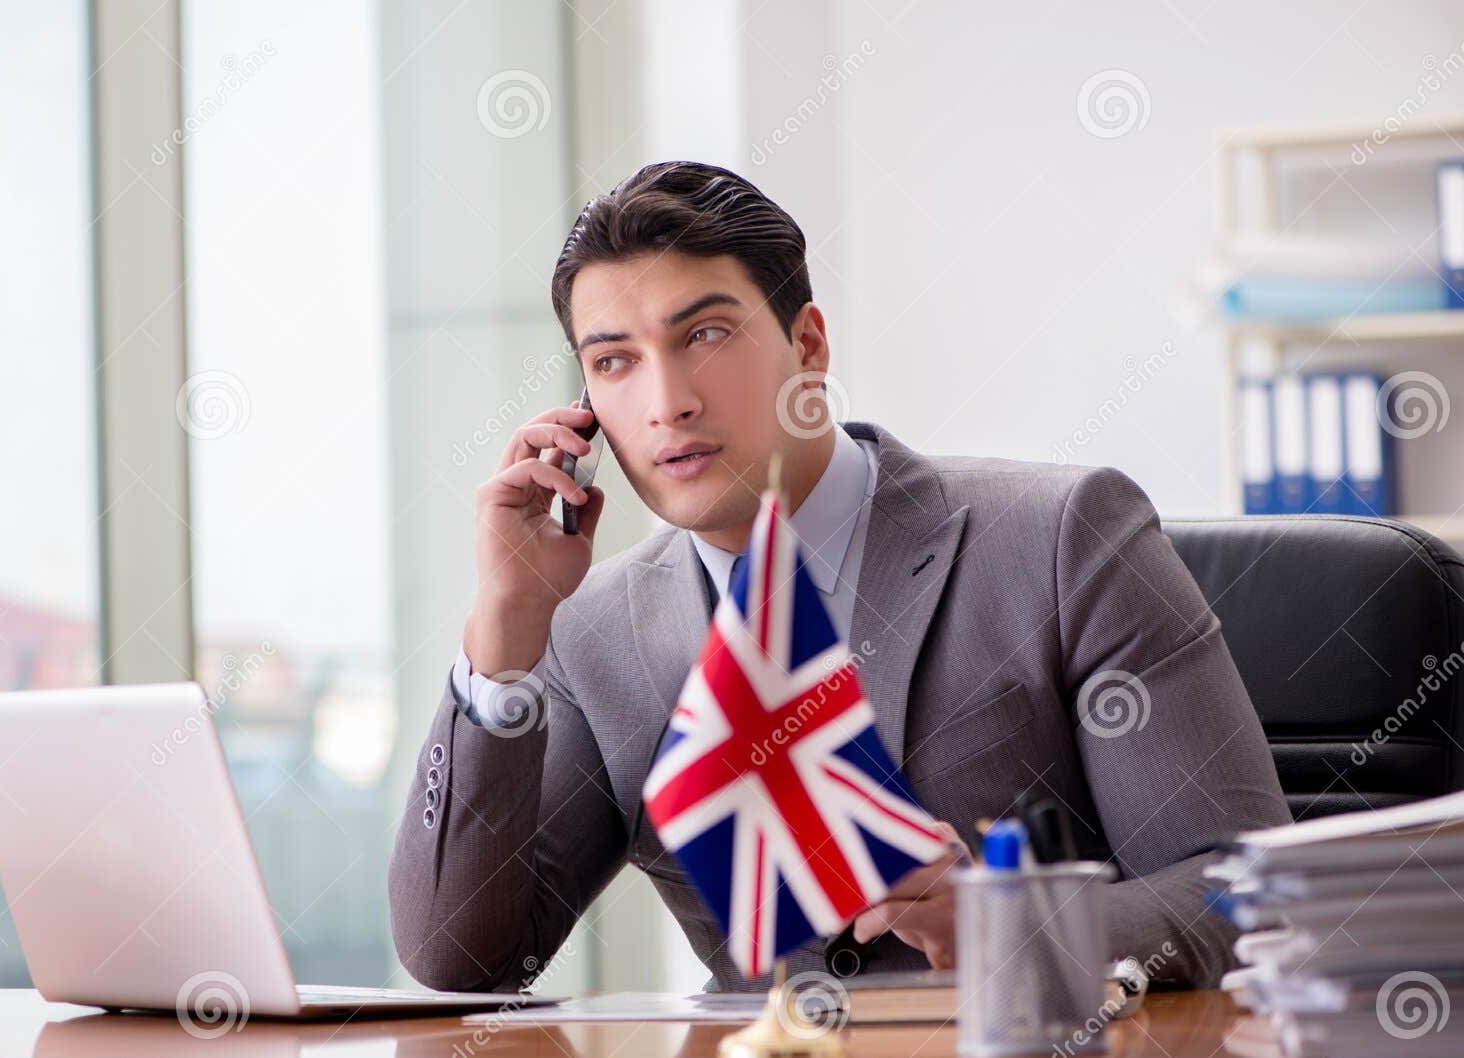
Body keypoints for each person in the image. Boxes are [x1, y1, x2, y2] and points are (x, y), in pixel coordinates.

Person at [388, 160, 1292, 993]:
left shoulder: (1061, 539)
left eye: (704, 334)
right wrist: (501, 646)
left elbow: (1250, 890)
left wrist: (1010, 923)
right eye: (614, 361)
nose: (668, 402)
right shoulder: (589, 633)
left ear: (808, 346)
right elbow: (465, 958)